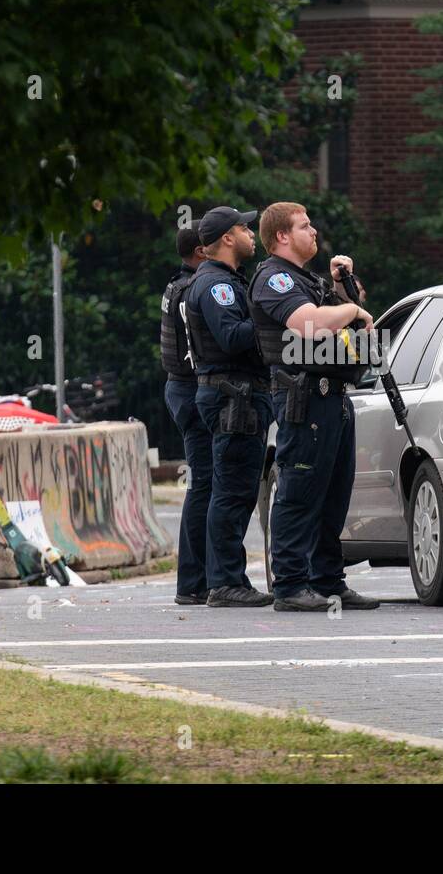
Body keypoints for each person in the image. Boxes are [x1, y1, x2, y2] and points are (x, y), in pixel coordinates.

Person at [248, 201, 380, 612]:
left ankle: (328, 579)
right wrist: (353, 308)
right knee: (300, 491)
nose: (314, 232)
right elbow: (310, 324)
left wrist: (343, 287)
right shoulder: (274, 279)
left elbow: (341, 321)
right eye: (305, 226)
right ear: (282, 236)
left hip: (334, 398)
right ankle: (289, 584)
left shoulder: (304, 278)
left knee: (333, 495)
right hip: (304, 399)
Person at [182, 206, 274, 608]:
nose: (251, 233)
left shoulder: (226, 281)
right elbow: (233, 336)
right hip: (232, 396)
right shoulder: (216, 285)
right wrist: (274, 321)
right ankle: (225, 582)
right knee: (232, 491)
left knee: (232, 488)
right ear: (226, 239)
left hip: (236, 393)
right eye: (244, 227)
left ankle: (226, 578)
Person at [160, 225, 212, 605]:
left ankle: (195, 579)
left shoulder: (177, 284)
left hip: (180, 389)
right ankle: (194, 582)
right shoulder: (192, 290)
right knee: (205, 486)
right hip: (192, 393)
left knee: (203, 486)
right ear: (200, 251)